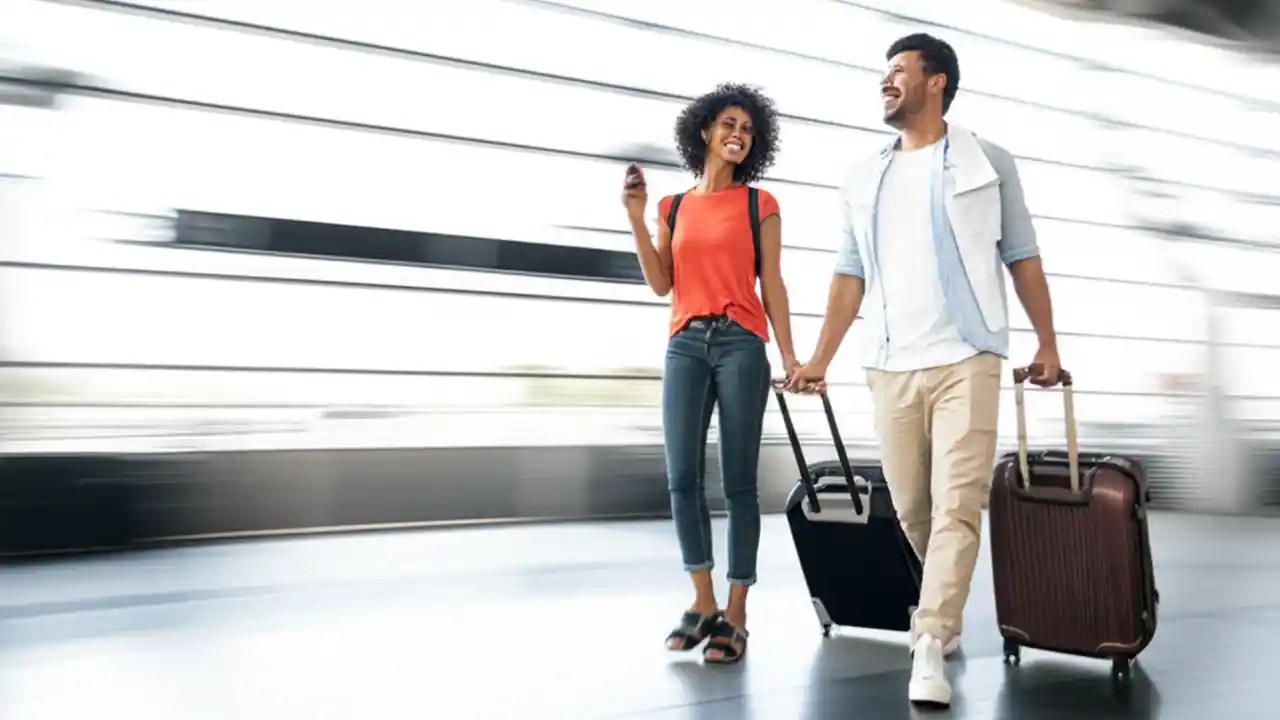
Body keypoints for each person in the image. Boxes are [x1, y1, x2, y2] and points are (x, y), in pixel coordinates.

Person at [788, 33, 1063, 706]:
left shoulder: (988, 163)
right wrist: (818, 359)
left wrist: (1047, 343)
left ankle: (930, 637)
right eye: (884, 72)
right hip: (891, 365)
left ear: (935, 82)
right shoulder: (862, 176)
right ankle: (942, 616)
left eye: (899, 72)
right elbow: (848, 277)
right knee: (913, 508)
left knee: (958, 505)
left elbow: (1022, 256)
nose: (886, 82)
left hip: (968, 358)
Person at [621, 83, 799, 665]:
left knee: (740, 483)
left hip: (741, 344)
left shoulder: (759, 205)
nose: (738, 135)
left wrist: (792, 357)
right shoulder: (673, 206)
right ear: (704, 130)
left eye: (747, 129)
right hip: (684, 345)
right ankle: (702, 601)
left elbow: (771, 282)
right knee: (681, 479)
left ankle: (737, 611)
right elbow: (660, 283)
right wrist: (635, 218)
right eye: (728, 123)